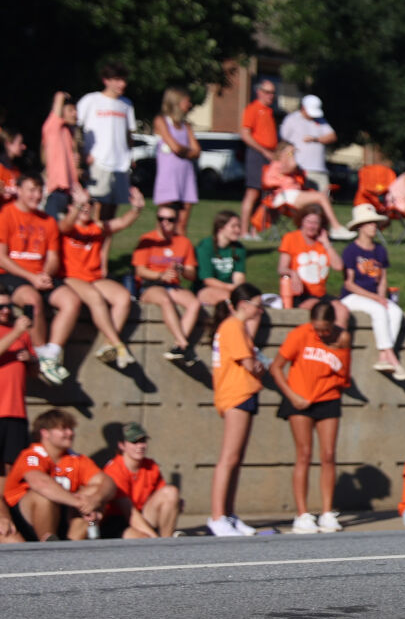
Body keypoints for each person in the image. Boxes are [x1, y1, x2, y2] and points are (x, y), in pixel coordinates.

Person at [270, 297, 354, 535]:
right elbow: (276, 367)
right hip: (300, 400)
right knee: (304, 454)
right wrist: (291, 396)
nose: (321, 334)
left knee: (328, 454)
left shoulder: (342, 337)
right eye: (317, 329)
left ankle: (327, 512)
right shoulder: (300, 334)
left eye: (325, 329)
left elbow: (344, 375)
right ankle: (303, 513)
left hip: (328, 398)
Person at [50, 186, 144, 372]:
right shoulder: (66, 227)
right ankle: (119, 345)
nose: (86, 208)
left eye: (89, 204)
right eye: (81, 205)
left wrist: (137, 209)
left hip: (92, 278)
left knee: (123, 297)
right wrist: (78, 205)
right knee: (94, 297)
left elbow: (121, 223)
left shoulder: (97, 227)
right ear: (71, 207)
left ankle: (108, 344)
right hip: (70, 277)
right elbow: (65, 225)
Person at [208, 283, 266, 536]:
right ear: (244, 305)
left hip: (243, 392)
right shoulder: (233, 326)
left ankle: (228, 514)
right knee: (228, 458)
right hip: (236, 393)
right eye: (258, 304)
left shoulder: (237, 326)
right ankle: (217, 516)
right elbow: (250, 363)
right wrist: (259, 365)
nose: (261, 309)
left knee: (236, 459)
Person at [2, 408, 112, 541]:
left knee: (94, 492)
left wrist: (95, 499)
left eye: (71, 429)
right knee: (43, 497)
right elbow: (40, 483)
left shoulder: (76, 459)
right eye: (64, 429)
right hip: (22, 520)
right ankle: (48, 544)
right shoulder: (31, 455)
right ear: (45, 433)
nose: (70, 433)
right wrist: (79, 503)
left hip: (63, 517)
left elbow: (107, 482)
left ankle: (72, 545)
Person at [0, 172, 64, 379]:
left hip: (40, 275)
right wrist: (31, 277)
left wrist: (46, 274)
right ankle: (41, 355)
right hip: (13, 275)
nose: (37, 195)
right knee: (32, 299)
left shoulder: (48, 221)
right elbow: (1, 257)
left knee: (71, 300)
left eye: (39, 191)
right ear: (18, 190)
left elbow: (53, 257)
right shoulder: (6, 215)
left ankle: (52, 353)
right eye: (31, 190)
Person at [340, 203, 405, 381]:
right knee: (378, 310)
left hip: (374, 296)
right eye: (369, 223)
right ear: (360, 227)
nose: (373, 227)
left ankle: (383, 357)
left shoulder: (380, 250)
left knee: (395, 311)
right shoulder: (351, 251)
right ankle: (392, 357)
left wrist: (382, 297)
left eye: (374, 223)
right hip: (352, 296)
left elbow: (382, 278)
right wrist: (375, 298)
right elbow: (349, 284)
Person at [131, 200, 203, 364]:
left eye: (170, 220)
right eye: (160, 219)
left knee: (194, 303)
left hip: (173, 285)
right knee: (164, 299)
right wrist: (160, 275)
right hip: (151, 286)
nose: (164, 223)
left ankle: (178, 346)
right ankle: (184, 344)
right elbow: (140, 271)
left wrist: (180, 269)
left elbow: (191, 274)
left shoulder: (184, 243)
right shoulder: (147, 240)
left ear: (177, 221)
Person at [102, 422, 182, 538]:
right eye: (134, 442)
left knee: (171, 493)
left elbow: (163, 497)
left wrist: (175, 503)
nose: (140, 446)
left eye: (143, 441)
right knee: (143, 540)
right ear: (122, 445)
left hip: (143, 514)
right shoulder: (114, 470)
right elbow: (128, 511)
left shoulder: (151, 465)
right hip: (118, 521)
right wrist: (153, 537)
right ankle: (160, 543)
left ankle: (167, 541)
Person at [76, 63, 135, 219]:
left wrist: (130, 156)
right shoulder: (91, 100)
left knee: (112, 212)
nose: (122, 84)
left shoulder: (126, 104)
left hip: (120, 165)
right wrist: (81, 153)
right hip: (98, 163)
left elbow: (129, 134)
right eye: (117, 79)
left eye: (123, 80)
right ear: (106, 80)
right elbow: (75, 128)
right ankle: (94, 242)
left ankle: (106, 244)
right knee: (95, 208)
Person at [262, 142, 353, 238]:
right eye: (290, 152)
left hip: (294, 195)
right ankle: (336, 228)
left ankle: (324, 234)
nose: (292, 154)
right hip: (284, 197)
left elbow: (294, 169)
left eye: (293, 152)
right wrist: (290, 154)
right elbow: (290, 167)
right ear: (281, 152)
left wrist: (289, 154)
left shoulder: (289, 165)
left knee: (323, 200)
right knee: (321, 197)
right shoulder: (277, 164)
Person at [152, 85, 201, 237]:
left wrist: (185, 151)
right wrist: (188, 152)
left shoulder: (186, 126)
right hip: (168, 178)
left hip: (186, 177)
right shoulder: (161, 121)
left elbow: (197, 151)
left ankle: (180, 254)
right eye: (187, 101)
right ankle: (160, 255)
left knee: (182, 224)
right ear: (177, 102)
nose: (190, 105)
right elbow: (175, 147)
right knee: (165, 221)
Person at [278, 204, 343, 314]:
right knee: (320, 307)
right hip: (300, 294)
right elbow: (281, 268)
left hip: (320, 295)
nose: (311, 226)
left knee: (341, 309)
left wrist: (326, 243)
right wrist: (293, 273)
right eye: (308, 222)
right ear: (302, 221)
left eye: (316, 223)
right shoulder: (291, 238)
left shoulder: (322, 243)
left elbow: (338, 266)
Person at [0, 287, 35, 471]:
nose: (6, 310)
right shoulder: (17, 332)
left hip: (16, 411)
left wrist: (31, 361)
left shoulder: (23, 334)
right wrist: (16, 331)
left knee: (14, 468)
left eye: (8, 306)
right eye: (1, 307)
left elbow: (35, 373)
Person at [239, 77, 279, 239]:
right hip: (258, 154)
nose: (271, 96)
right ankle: (244, 230)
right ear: (259, 92)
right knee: (253, 192)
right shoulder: (253, 109)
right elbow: (245, 134)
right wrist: (263, 151)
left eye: (273, 93)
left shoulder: (269, 111)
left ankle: (256, 229)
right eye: (267, 92)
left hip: (270, 155)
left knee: (265, 194)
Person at [195, 209, 250, 317]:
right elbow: (208, 280)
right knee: (234, 303)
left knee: (253, 305)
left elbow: (239, 276)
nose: (238, 230)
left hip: (230, 290)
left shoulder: (239, 248)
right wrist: (231, 288)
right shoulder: (205, 246)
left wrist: (238, 289)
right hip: (206, 290)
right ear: (220, 228)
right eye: (233, 226)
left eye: (239, 226)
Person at [280, 94, 336, 193]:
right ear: (303, 107)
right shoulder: (292, 119)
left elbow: (332, 137)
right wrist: (289, 158)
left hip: (320, 169)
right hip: (301, 169)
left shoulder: (320, 120)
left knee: (324, 200)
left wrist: (315, 139)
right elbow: (284, 144)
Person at [40, 90, 81, 220]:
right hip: (55, 192)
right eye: (71, 110)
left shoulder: (68, 133)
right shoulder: (53, 128)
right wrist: (63, 96)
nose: (75, 114)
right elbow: (58, 97)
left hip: (68, 193)